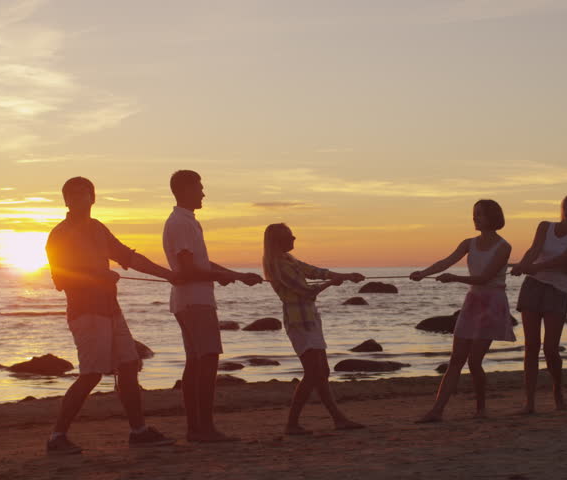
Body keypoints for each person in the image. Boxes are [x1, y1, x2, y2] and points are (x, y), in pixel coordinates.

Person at [45, 176, 177, 455]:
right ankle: (57, 437)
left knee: (129, 366)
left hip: (110, 310)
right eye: (72, 195)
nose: (78, 200)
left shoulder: (98, 229)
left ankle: (138, 431)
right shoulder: (59, 235)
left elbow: (129, 258)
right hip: (86, 313)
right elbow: (60, 279)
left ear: (93, 198)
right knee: (91, 375)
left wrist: (169, 276)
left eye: (84, 194)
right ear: (65, 200)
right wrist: (97, 275)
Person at [162, 170, 262, 442]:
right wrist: (224, 276)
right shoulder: (180, 223)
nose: (203, 193)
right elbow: (188, 268)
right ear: (184, 190)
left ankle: (196, 428)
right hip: (194, 300)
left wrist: (235, 275)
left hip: (189, 300)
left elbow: (202, 265)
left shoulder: (186, 221)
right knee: (205, 362)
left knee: (196, 363)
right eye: (199, 188)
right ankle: (203, 428)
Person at [410, 199, 515, 422]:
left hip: (492, 303)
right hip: (473, 301)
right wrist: (423, 273)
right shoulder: (469, 243)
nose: (475, 218)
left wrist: (454, 278)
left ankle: (481, 408)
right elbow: (445, 262)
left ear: (493, 217)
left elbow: (486, 277)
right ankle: (437, 410)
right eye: (474, 214)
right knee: (456, 359)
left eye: (480, 214)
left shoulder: (504, 246)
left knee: (474, 361)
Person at [262, 223, 365, 435]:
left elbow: (315, 271)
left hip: (310, 319)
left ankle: (337, 419)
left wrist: (345, 276)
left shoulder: (288, 259)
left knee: (322, 371)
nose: (294, 238)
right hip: (299, 322)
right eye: (290, 236)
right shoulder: (278, 265)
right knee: (313, 372)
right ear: (279, 241)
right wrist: (332, 283)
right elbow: (306, 291)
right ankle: (294, 423)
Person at [510, 192, 567, 413]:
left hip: (557, 290)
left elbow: (566, 258)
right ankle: (529, 402)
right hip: (533, 286)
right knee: (531, 346)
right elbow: (534, 250)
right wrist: (522, 265)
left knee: (550, 348)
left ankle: (557, 389)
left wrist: (534, 267)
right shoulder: (545, 226)